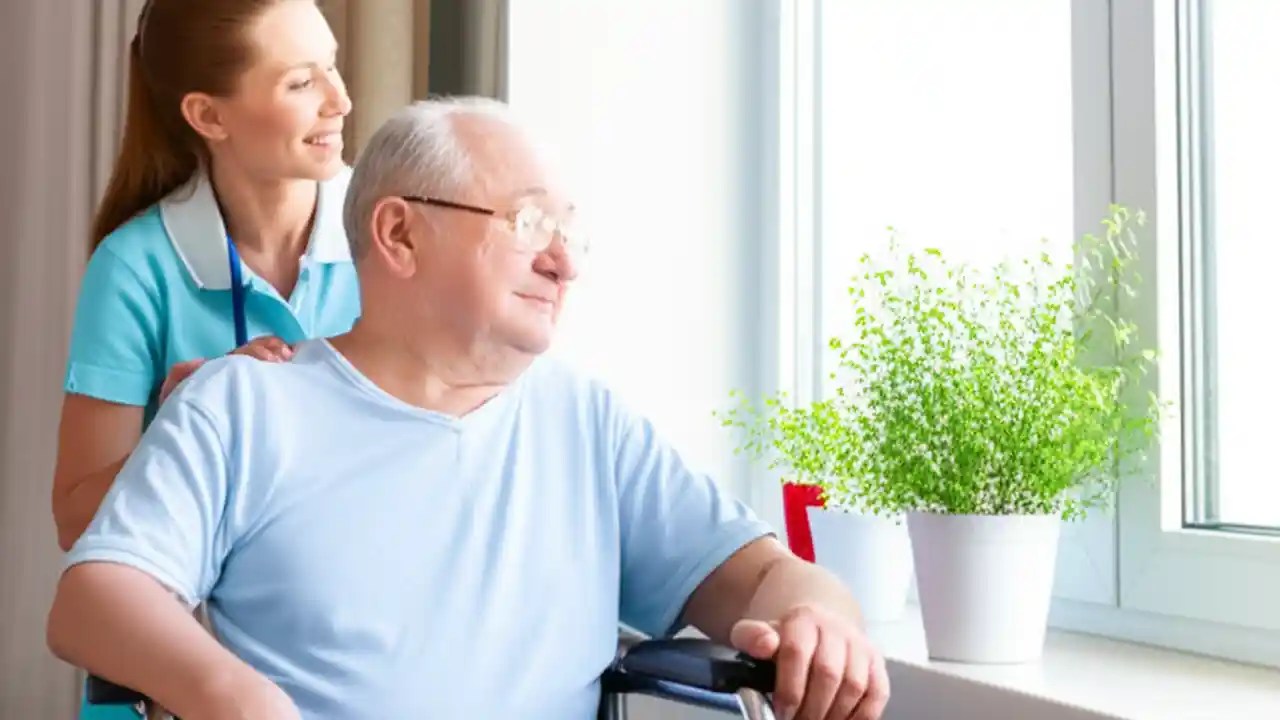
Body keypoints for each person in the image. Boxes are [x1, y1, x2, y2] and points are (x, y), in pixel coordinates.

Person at [47, 98, 890, 720]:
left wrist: (824, 621)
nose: (565, 263)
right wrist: (234, 696)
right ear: (399, 235)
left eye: (571, 233)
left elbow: (766, 576)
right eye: (529, 223)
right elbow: (94, 595)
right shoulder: (245, 406)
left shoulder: (586, 424)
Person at [52, 0, 358, 559]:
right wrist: (192, 422)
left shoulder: (397, 234)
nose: (341, 101)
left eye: (331, 66)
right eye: (301, 83)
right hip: (209, 629)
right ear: (210, 116)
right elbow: (76, 520)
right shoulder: (135, 268)